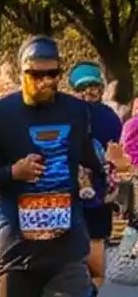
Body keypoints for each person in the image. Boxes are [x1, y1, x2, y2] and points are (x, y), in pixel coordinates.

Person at [0, 35, 104, 297]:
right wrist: (12, 173)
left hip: (66, 252)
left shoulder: (77, 111)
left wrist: (106, 174)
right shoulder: (2, 114)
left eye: (52, 73)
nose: (44, 81)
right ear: (22, 71)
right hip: (16, 254)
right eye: (35, 74)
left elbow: (94, 169)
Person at [66, 60, 124, 294]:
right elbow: (115, 151)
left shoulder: (64, 112)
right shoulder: (110, 116)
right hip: (99, 193)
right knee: (97, 255)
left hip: (67, 191)